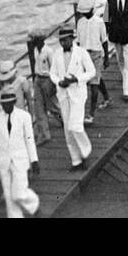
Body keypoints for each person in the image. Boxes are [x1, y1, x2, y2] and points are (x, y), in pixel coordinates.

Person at [0, 90, 39, 218]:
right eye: (3, 104)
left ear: (14, 102)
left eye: (9, 103)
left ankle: (34, 204)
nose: (6, 106)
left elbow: (29, 139)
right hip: (4, 162)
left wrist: (34, 160)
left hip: (20, 160)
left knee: (19, 194)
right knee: (9, 196)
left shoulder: (24, 116)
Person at [50, 24, 96, 170]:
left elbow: (91, 72)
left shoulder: (82, 53)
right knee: (68, 130)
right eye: (61, 41)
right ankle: (75, 159)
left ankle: (86, 152)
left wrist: (76, 79)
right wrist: (59, 82)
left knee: (75, 125)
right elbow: (53, 73)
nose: (63, 43)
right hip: (63, 94)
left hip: (77, 93)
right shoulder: (56, 54)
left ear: (72, 39)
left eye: (65, 40)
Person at [75, 0, 111, 120]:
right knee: (95, 78)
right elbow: (79, 42)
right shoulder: (80, 23)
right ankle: (106, 98)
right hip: (84, 55)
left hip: (96, 54)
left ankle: (91, 114)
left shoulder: (99, 22)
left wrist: (106, 57)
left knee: (93, 85)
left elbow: (104, 41)